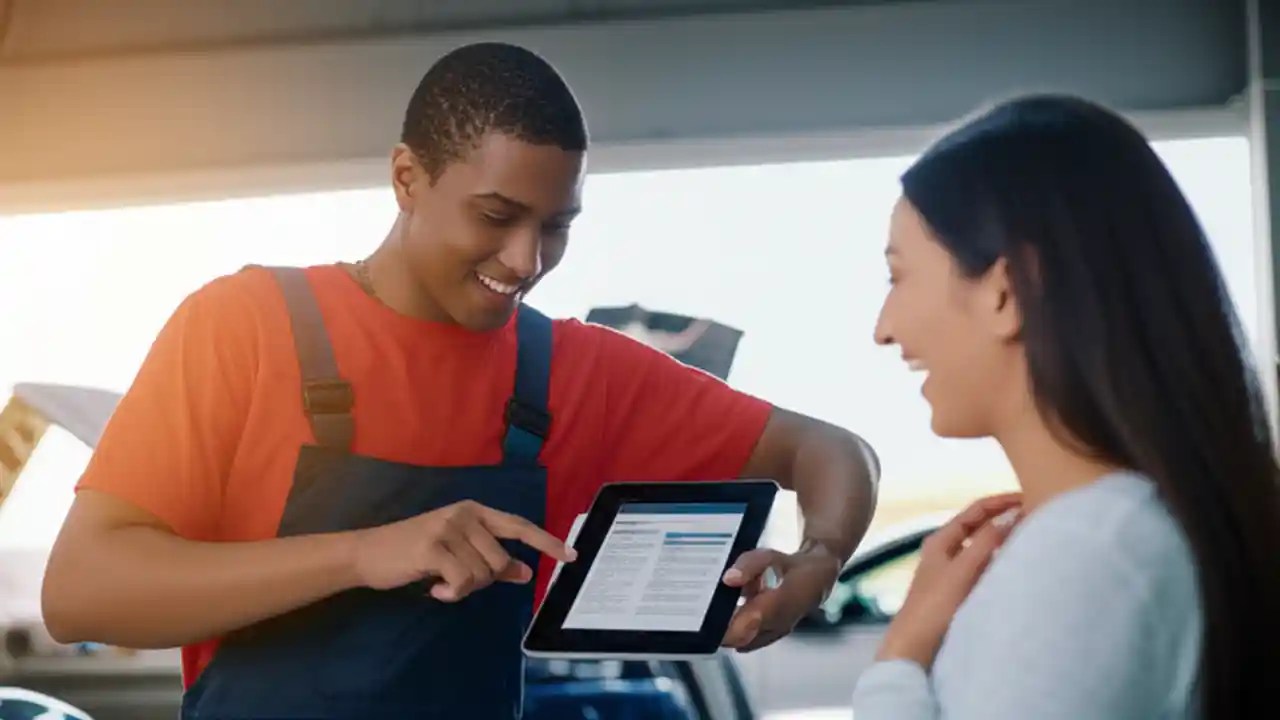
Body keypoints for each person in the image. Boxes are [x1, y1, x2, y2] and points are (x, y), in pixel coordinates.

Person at [39, 42, 879, 719]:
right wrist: (367, 553)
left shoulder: (573, 371)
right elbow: (83, 595)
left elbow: (834, 453)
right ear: (407, 177)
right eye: (496, 216)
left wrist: (820, 558)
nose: (527, 261)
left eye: (557, 227)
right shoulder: (244, 326)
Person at [851, 95, 1280, 719]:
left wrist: (899, 659)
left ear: (1007, 290)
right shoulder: (1112, 533)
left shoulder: (1088, 552)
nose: (883, 329)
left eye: (899, 277)